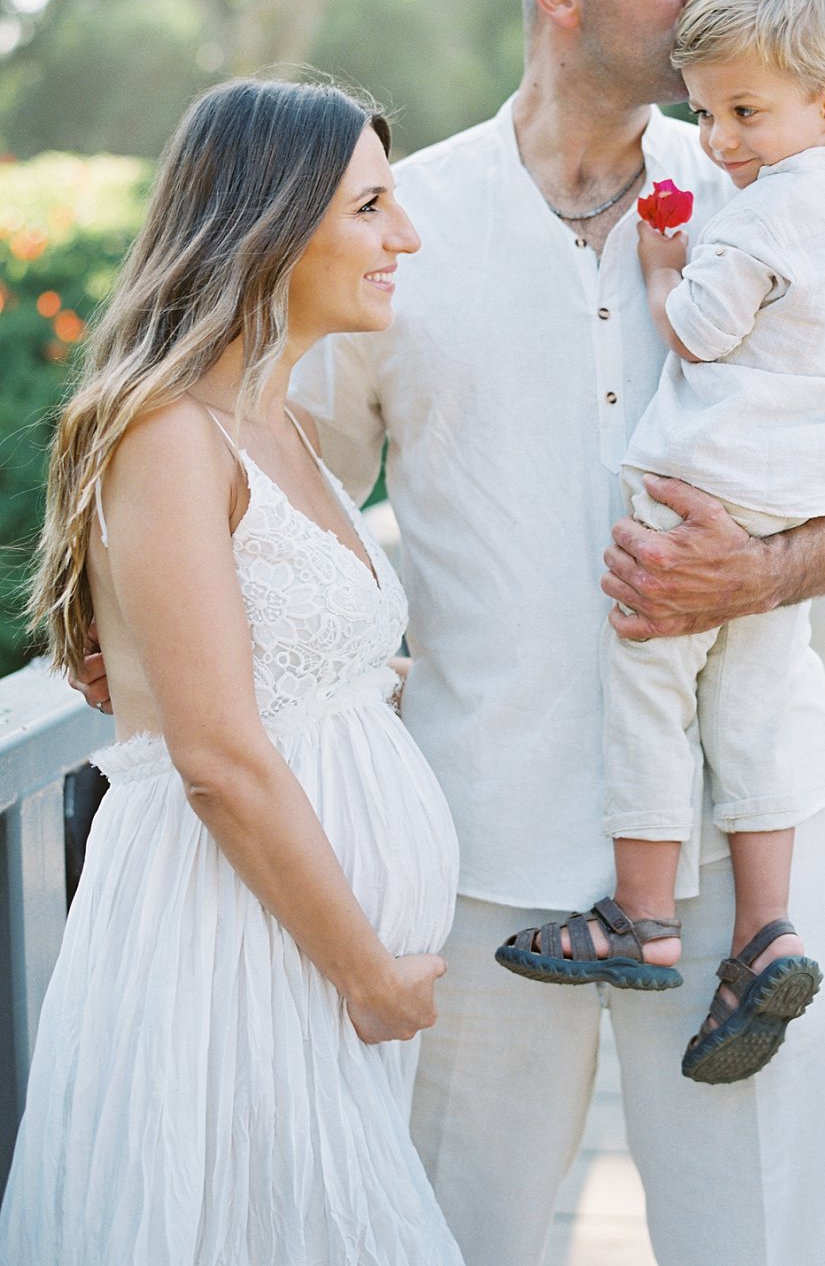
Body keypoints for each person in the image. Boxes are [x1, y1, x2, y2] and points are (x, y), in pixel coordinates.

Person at [78, 0, 825, 1266]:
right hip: (479, 857)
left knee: (761, 1244)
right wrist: (117, 603)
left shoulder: (774, 176)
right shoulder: (389, 223)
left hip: (749, 849)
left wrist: (766, 574)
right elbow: (264, 463)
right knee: (454, 1242)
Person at [3, 79, 464, 1265]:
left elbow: (284, 664)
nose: (403, 236)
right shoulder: (168, 434)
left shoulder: (282, 419)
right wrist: (367, 976)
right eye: (371, 207)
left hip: (303, 960)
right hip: (235, 953)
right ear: (271, 223)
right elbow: (212, 756)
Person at [496, 0, 825, 1091]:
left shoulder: (760, 215)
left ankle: (642, 913)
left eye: (743, 113)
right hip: (800, 493)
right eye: (707, 114)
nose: (722, 141)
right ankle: (768, 929)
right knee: (756, 708)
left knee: (649, 683)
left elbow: (700, 331)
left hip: (702, 487)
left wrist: (664, 262)